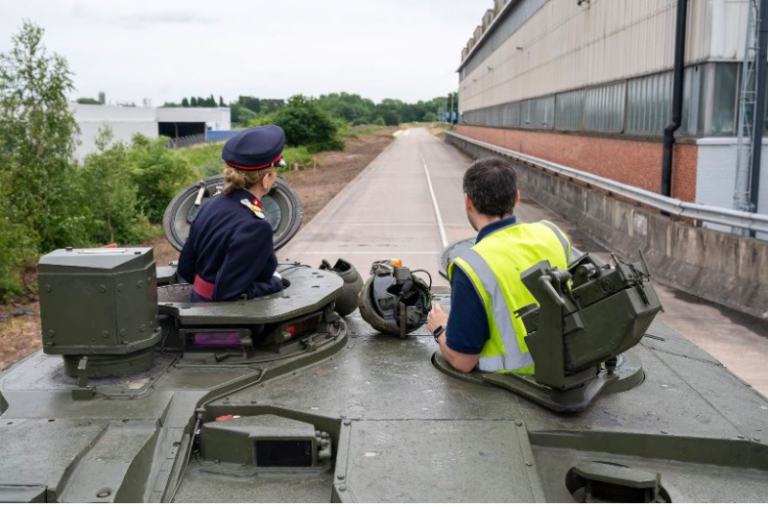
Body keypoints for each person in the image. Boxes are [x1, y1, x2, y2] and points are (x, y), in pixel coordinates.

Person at [426, 157, 571, 374]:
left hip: (517, 387)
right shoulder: (553, 234)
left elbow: (463, 361)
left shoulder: (470, 267)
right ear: (517, 199)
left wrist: (439, 328)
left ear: (468, 202)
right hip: (567, 368)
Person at [178, 125, 286, 302]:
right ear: (266, 180)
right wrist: (274, 283)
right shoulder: (255, 226)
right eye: (274, 174)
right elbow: (228, 294)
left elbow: (185, 269)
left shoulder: (211, 204)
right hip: (223, 325)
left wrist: (205, 288)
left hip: (195, 309)